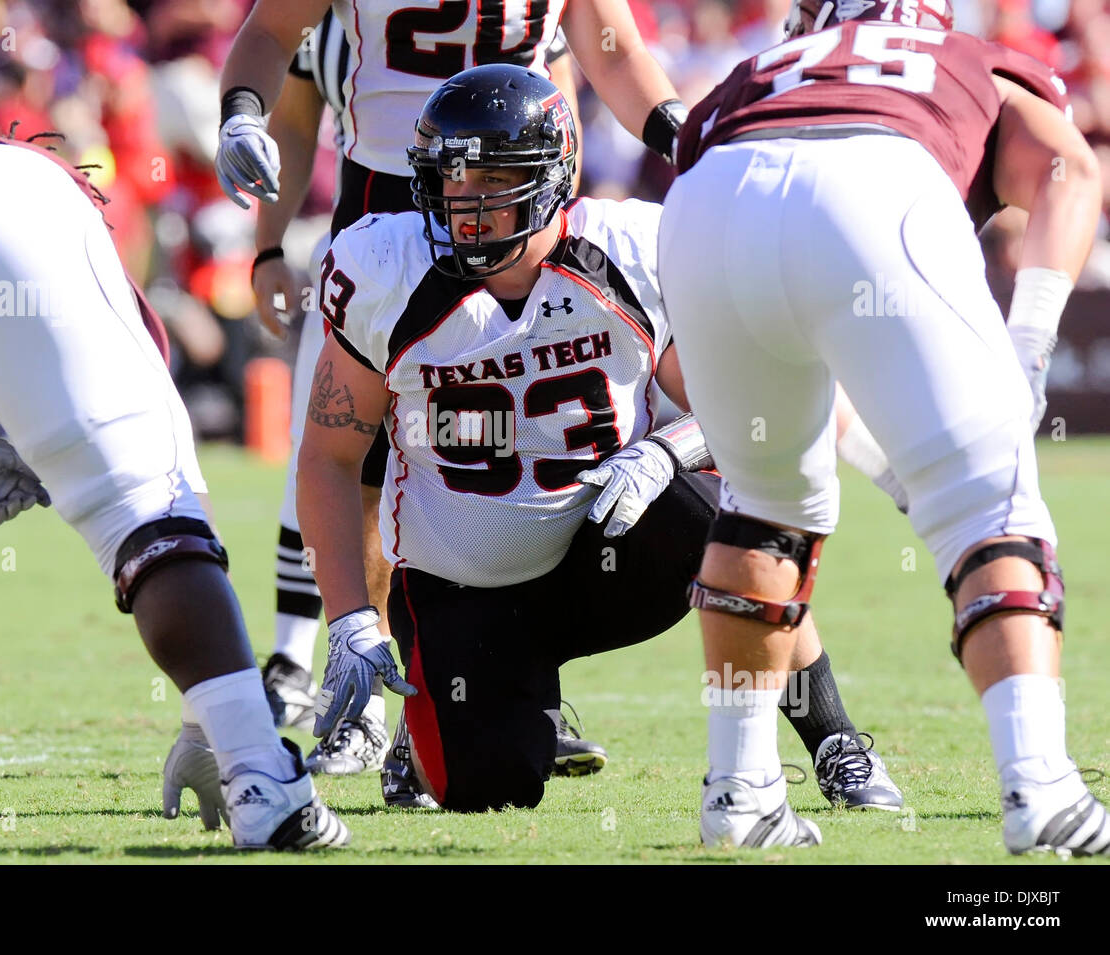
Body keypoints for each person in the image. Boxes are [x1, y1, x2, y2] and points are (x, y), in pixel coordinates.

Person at [296, 64, 900, 813]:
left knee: (739, 510)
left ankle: (834, 739)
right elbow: (328, 457)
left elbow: (750, 412)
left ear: (552, 179)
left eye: (492, 180)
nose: (465, 204)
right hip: (464, 581)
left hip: (608, 542)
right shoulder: (387, 272)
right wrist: (351, 619)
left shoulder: (630, 251)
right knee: (486, 787)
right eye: (451, 178)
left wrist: (667, 451)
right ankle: (464, 723)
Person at [0, 126, 348, 851]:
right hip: (11, 211)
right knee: (144, 512)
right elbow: (173, 511)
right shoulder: (56, 243)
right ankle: (260, 776)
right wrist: (211, 725)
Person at [657, 0, 1109, 852]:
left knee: (760, 506)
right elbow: (1068, 168)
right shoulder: (956, 53)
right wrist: (1030, 344)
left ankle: (741, 792)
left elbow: (708, 318)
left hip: (705, 204)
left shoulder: (755, 73)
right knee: (990, 504)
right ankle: (1041, 784)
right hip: (874, 182)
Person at [217, 0, 695, 782]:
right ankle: (365, 686)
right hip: (394, 194)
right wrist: (244, 126)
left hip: (523, 186)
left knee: (534, 443)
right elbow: (273, 39)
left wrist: (686, 138)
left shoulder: (621, 240)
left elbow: (610, 55)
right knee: (368, 461)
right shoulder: (375, 255)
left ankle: (506, 674)